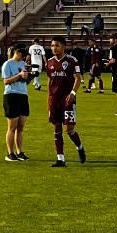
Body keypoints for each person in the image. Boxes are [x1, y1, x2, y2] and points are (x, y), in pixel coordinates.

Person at [43, 37, 88, 167]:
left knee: (69, 129)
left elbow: (78, 78)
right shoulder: (49, 63)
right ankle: (60, 158)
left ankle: (79, 147)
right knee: (57, 128)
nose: (53, 48)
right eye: (52, 46)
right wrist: (48, 99)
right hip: (54, 99)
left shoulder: (72, 61)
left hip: (67, 100)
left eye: (56, 45)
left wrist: (73, 93)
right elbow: (49, 81)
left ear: (63, 47)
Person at [0, 45, 32, 162]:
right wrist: (19, 75)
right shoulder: (8, 64)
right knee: (12, 127)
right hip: (11, 95)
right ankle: (10, 153)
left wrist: (29, 77)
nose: (24, 57)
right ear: (17, 52)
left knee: (21, 127)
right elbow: (6, 81)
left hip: (23, 95)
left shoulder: (23, 64)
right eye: (22, 54)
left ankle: (20, 152)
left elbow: (24, 82)